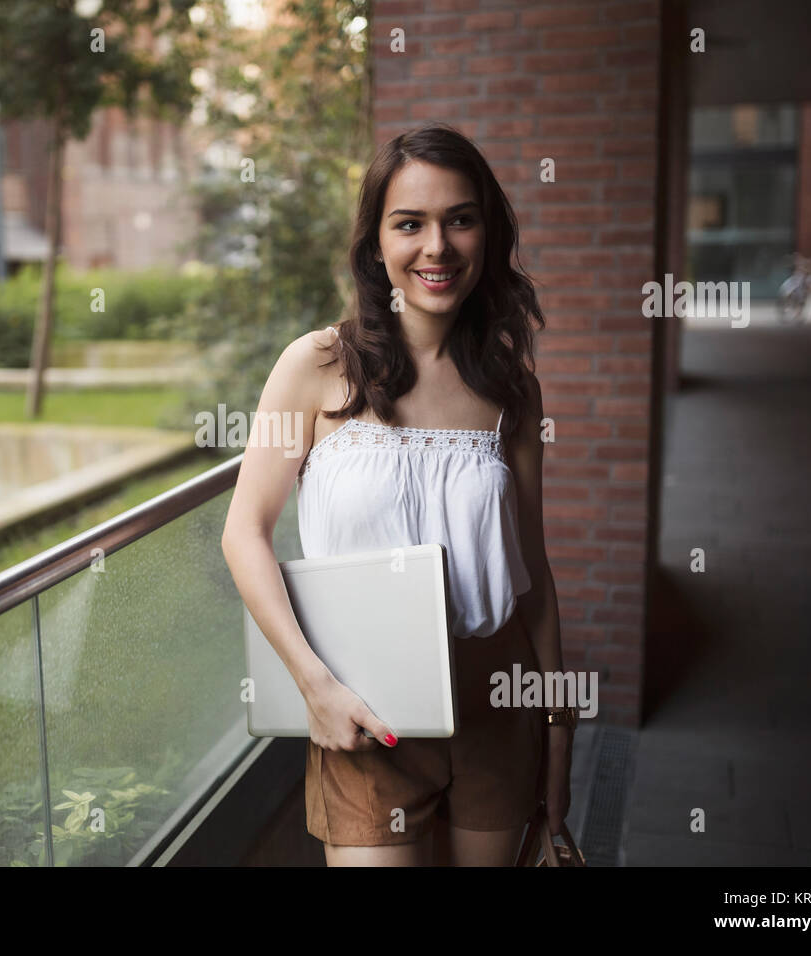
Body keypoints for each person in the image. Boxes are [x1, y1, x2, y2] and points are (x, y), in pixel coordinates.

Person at [221, 122, 574, 866]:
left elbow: (533, 574)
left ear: (488, 233)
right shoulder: (317, 366)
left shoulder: (513, 390)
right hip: (362, 712)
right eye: (409, 223)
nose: (437, 247)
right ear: (376, 244)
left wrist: (560, 743)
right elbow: (244, 533)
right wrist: (312, 685)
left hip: (496, 706)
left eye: (460, 219)